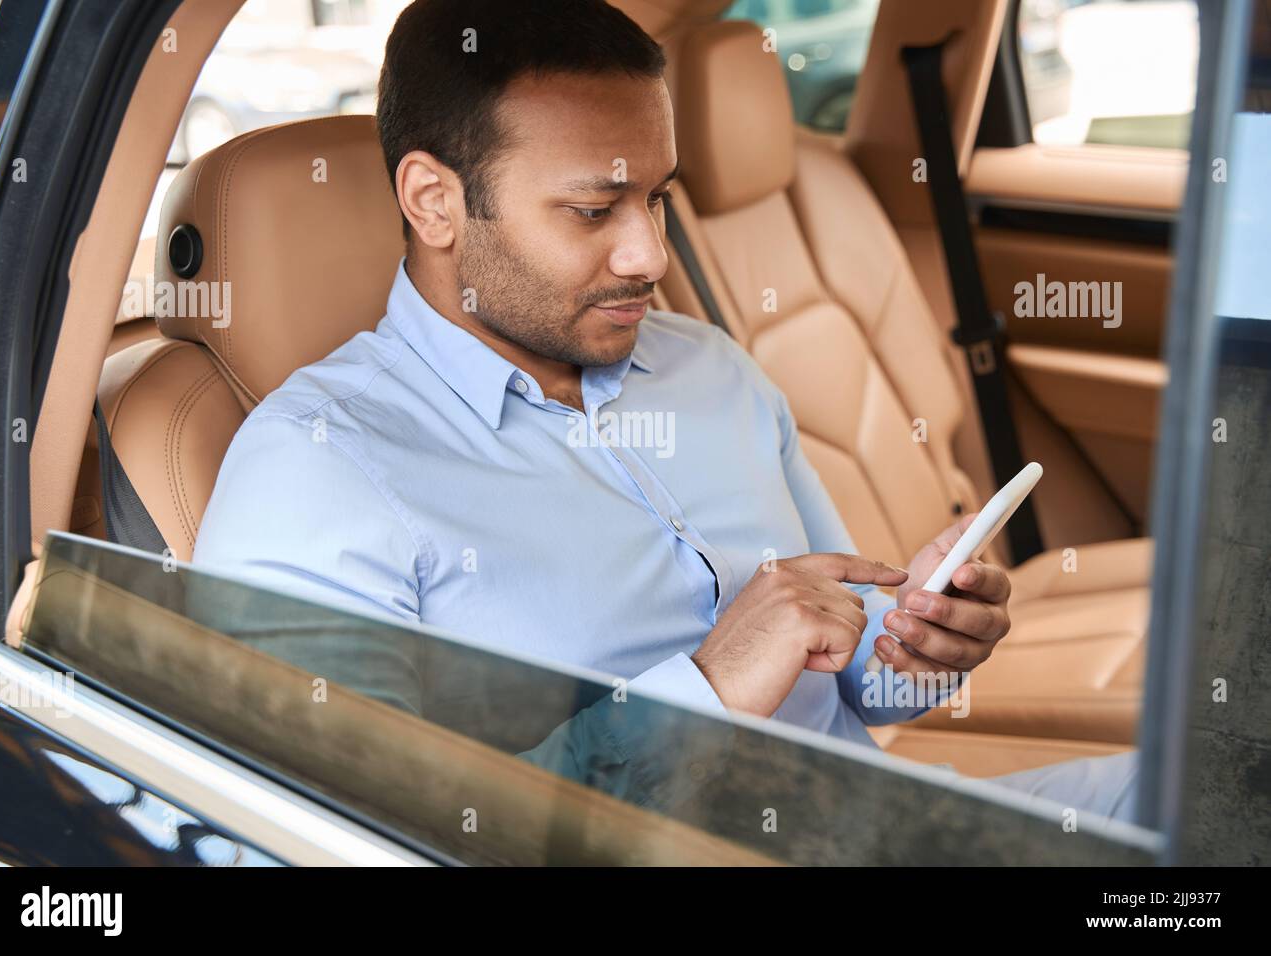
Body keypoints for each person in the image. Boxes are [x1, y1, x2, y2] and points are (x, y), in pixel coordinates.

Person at [192, 0, 1138, 824]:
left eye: (658, 197)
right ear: (435, 202)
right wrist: (711, 687)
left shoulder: (709, 369)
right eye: (595, 212)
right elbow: (371, 834)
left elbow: (856, 683)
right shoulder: (318, 468)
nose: (649, 254)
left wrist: (922, 644)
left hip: (884, 821)